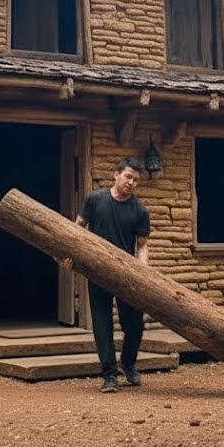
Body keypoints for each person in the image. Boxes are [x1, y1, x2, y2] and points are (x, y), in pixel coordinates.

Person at [60, 158, 151, 393]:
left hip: (126, 275)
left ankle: (128, 365)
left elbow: (141, 246)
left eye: (136, 180)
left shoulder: (139, 210)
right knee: (103, 326)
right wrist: (68, 257)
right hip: (97, 272)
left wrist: (142, 272)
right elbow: (76, 230)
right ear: (116, 175)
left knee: (135, 326)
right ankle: (109, 376)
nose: (131, 182)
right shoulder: (94, 200)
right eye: (128, 177)